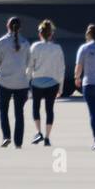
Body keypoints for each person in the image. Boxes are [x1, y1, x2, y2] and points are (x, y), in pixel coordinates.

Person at [0, 17, 31, 148]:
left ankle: (6, 137)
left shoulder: (2, 42)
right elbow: (28, 62)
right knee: (19, 113)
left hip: (5, 82)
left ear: (7, 26)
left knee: (3, 111)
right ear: (20, 28)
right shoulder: (26, 43)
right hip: (21, 83)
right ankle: (18, 142)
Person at [26, 19, 66, 147]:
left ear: (40, 34)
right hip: (52, 83)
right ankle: (47, 138)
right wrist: (61, 87)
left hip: (36, 82)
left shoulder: (35, 47)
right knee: (49, 109)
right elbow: (61, 69)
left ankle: (39, 132)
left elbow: (29, 67)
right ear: (51, 34)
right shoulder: (57, 48)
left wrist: (27, 83)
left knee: (36, 108)